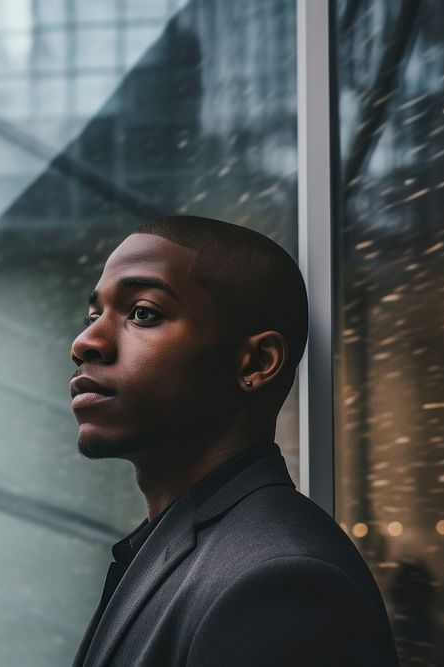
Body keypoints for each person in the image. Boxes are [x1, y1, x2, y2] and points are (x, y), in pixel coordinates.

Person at [68, 215, 398, 666]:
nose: (86, 341)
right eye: (93, 315)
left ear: (256, 363)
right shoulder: (190, 547)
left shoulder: (283, 585)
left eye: (143, 312)